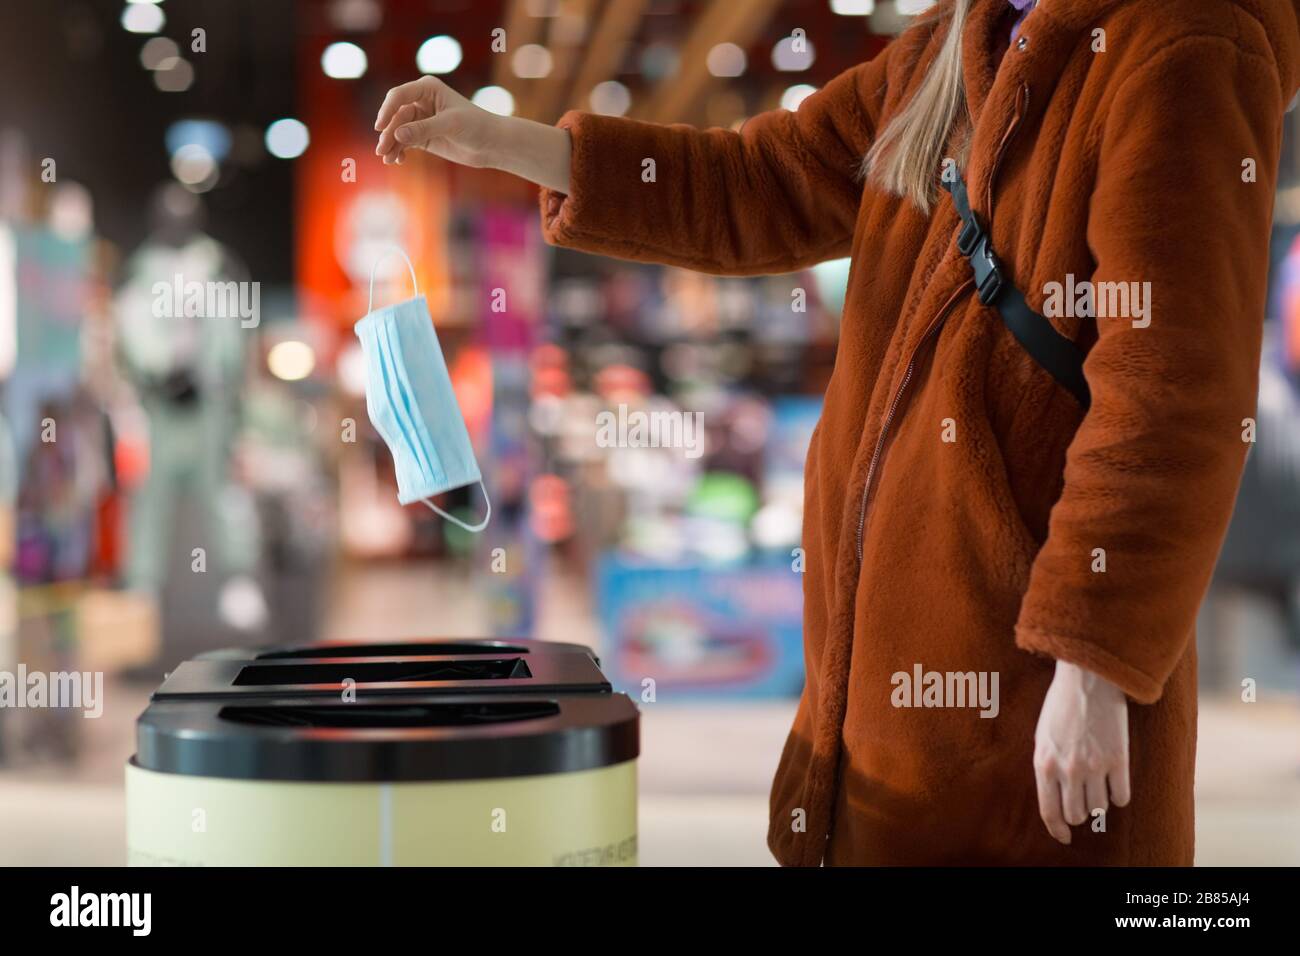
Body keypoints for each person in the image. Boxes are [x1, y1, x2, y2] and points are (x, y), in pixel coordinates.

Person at [373, 0, 1300, 865]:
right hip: (888, 711)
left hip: (1027, 706)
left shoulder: (1183, 47)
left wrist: (1094, 663)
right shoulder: (954, 44)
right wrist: (497, 139)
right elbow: (757, 180)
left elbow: (1171, 396)